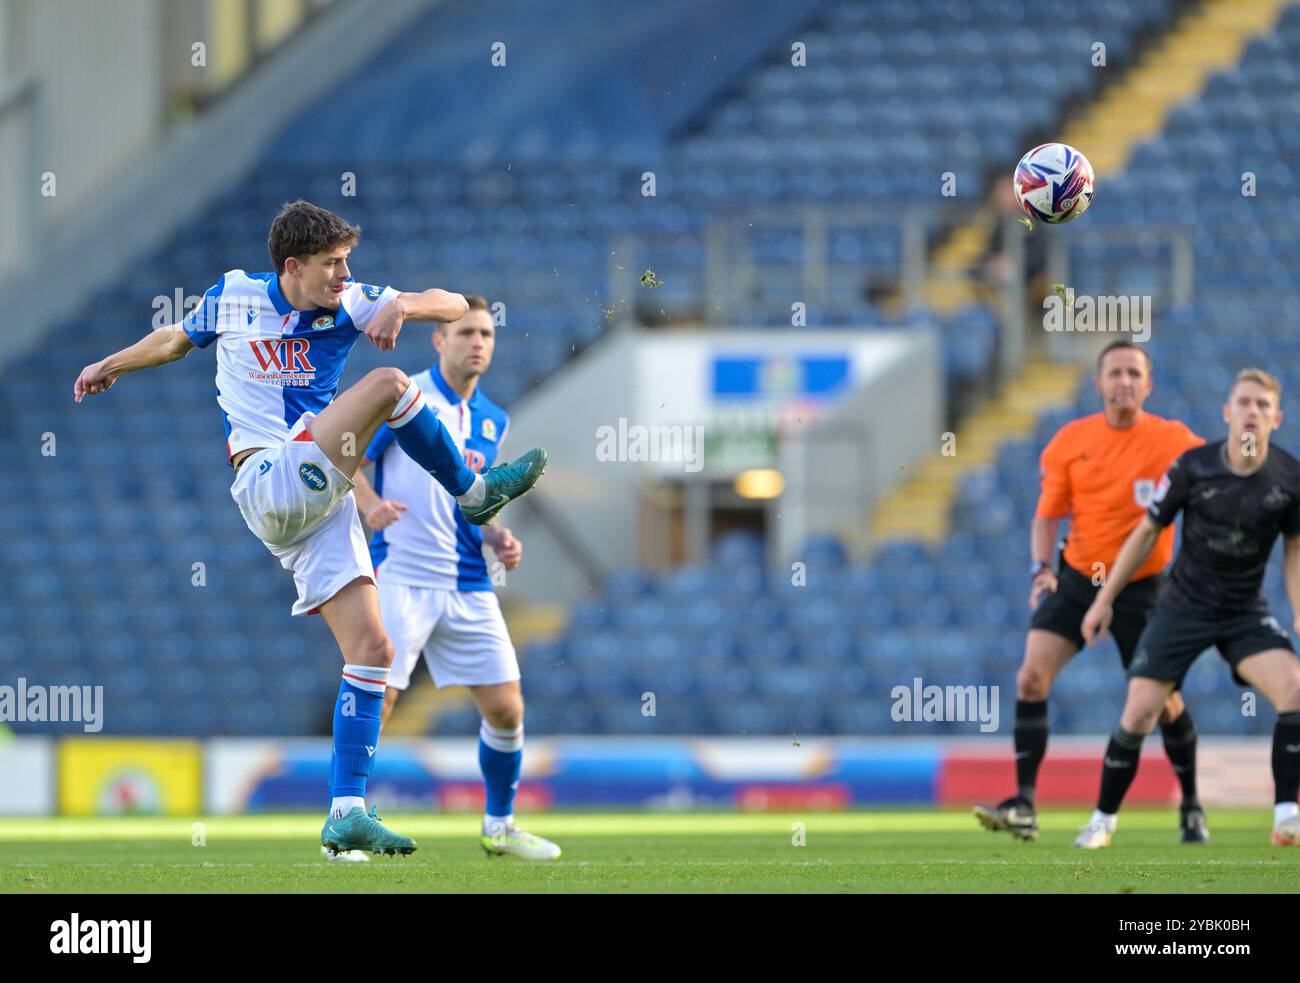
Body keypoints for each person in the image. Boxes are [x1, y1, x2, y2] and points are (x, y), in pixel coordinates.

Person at [72, 201, 548, 856]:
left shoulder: (350, 299)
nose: (344, 274)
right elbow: (174, 339)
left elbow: (450, 301)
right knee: (387, 382)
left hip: (318, 504)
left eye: (347, 262)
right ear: (292, 266)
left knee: (373, 651)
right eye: (333, 264)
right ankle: (473, 494)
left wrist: (402, 305)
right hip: (270, 475)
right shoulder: (235, 296)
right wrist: (110, 364)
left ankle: (343, 815)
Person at [974, 341, 1206, 842]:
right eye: (1115, 372)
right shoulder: (1069, 441)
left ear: (1149, 385)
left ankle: (1190, 803)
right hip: (1080, 579)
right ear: (1098, 383)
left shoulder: (1174, 441)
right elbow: (1047, 515)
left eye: (1133, 373)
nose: (1124, 381)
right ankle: (1025, 806)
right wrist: (1041, 568)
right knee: (1031, 677)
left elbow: (1216, 483)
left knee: (1163, 704)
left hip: (1144, 590)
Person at [355, 296, 560, 860]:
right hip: (404, 571)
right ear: (438, 340)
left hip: (469, 579)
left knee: (506, 708)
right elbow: (345, 454)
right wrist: (370, 503)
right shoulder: (404, 396)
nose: (478, 342)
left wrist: (496, 535)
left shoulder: (495, 416)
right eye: (466, 331)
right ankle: (345, 818)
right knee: (379, 699)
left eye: (487, 333)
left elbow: (476, 496)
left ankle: (499, 826)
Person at [1077, 368, 1300, 848]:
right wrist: (1104, 599)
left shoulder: (1291, 477)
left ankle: (1286, 814)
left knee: (1295, 691)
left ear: (1277, 418)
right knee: (1138, 715)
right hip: (1182, 608)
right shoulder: (1191, 467)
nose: (1252, 412)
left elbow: (1295, 551)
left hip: (1244, 610)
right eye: (1244, 402)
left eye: (1263, 405)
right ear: (1227, 412)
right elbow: (1145, 533)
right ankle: (1101, 821)